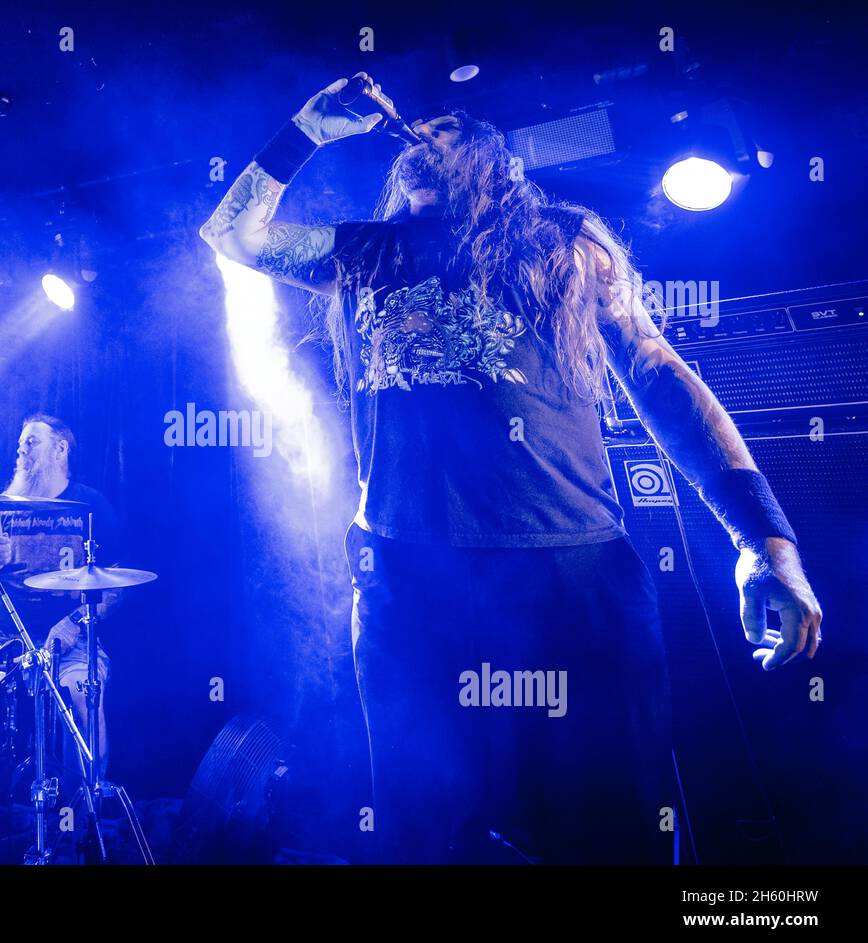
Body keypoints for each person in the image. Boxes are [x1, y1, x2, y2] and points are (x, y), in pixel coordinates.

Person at [199, 73, 823, 863]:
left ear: (493, 158)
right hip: (410, 581)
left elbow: (660, 378)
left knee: (608, 827)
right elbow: (231, 234)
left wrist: (764, 543)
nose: (424, 133)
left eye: (450, 128)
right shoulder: (368, 251)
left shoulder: (564, 240)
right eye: (419, 130)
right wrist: (307, 127)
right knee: (424, 834)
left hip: (570, 575)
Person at [0, 413, 119, 762]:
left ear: (60, 449)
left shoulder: (90, 506)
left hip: (72, 638)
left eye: (31, 442)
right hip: (2, 634)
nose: (21, 451)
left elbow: (118, 587)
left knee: (83, 691)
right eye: (19, 445)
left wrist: (74, 623)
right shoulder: (2, 509)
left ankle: (88, 799)